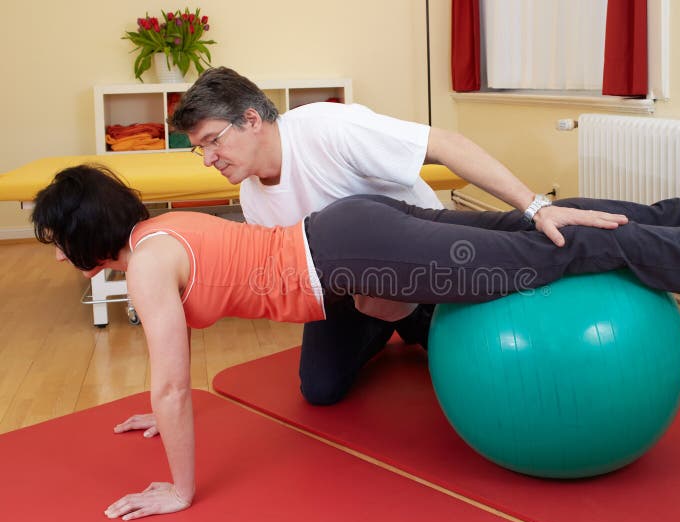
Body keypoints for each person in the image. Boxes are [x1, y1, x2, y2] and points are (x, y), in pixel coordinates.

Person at [33, 165, 680, 520]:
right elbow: (168, 381)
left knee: (545, 252)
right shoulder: (154, 236)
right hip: (348, 237)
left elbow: (170, 381)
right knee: (523, 231)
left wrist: (181, 488)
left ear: (79, 229)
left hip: (355, 255)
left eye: (55, 240)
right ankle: (678, 215)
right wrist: (154, 414)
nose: (57, 254)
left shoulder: (152, 263)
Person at [167, 66, 631, 407]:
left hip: (428, 266)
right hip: (354, 291)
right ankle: (388, 321)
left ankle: (415, 317)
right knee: (319, 390)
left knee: (492, 373)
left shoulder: (328, 128)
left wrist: (535, 206)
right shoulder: (252, 199)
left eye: (212, 141)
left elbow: (445, 144)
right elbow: (292, 277)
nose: (208, 158)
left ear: (251, 119)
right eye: (199, 149)